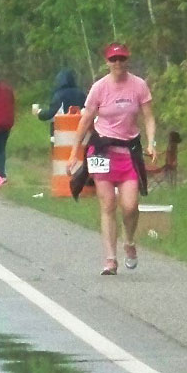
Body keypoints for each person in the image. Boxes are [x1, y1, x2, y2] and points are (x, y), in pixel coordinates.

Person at [66, 43, 157, 276]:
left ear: (127, 60)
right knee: (107, 205)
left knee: (130, 206)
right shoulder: (99, 88)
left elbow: (148, 117)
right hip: (102, 151)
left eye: (121, 59)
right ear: (107, 62)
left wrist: (152, 143)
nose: (118, 63)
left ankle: (129, 241)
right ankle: (110, 259)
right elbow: (86, 120)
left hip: (129, 152)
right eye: (113, 60)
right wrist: (74, 152)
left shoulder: (138, 85)